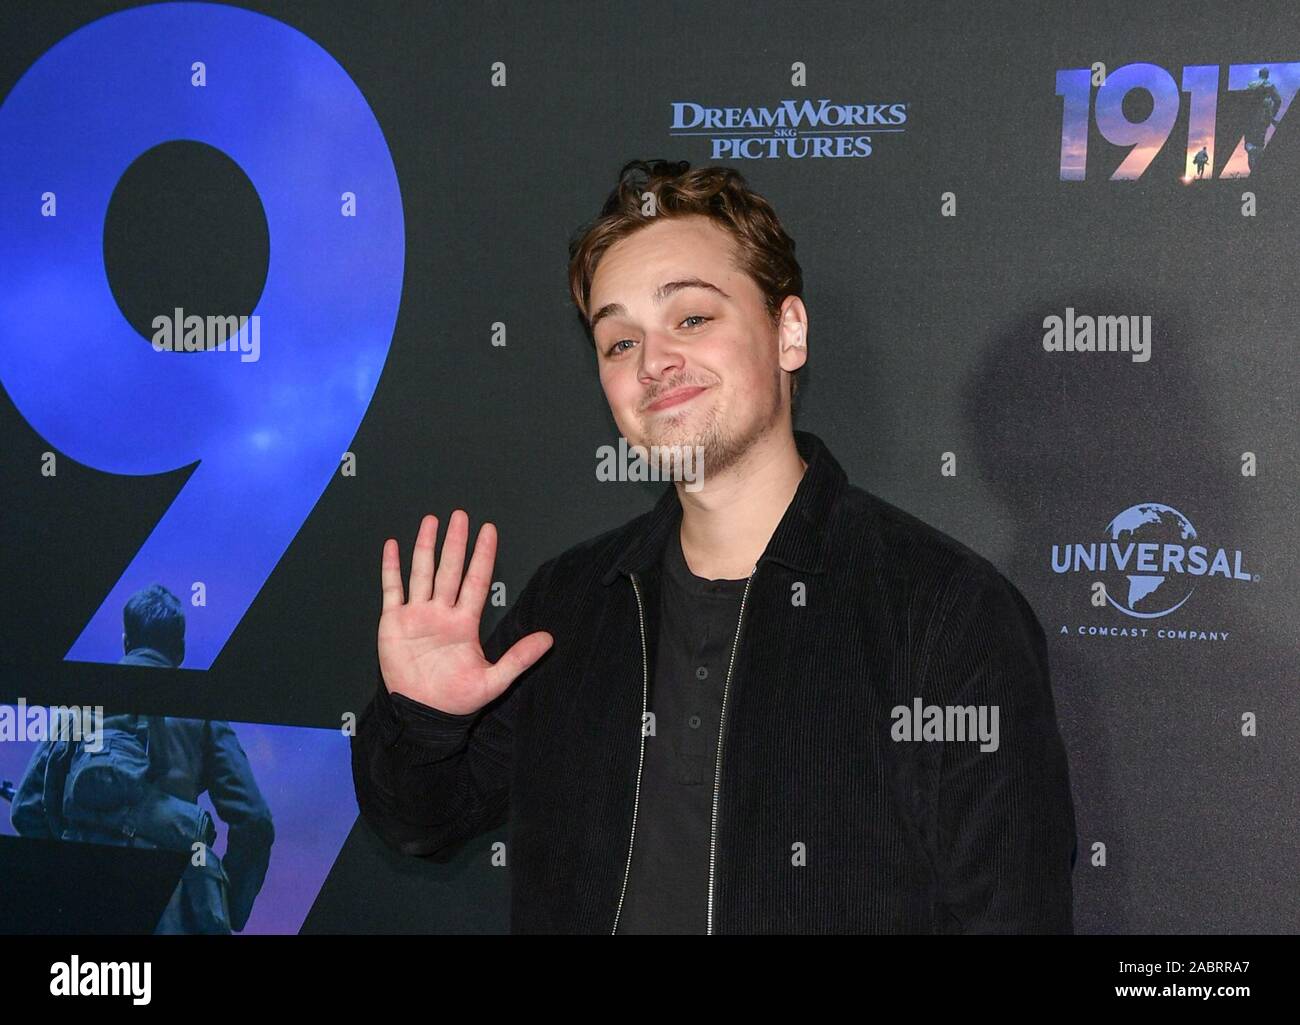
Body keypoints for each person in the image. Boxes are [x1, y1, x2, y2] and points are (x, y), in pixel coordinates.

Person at [351, 159, 1077, 934]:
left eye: (691, 318)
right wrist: (424, 720)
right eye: (618, 340)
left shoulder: (942, 609)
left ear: (788, 332)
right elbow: (419, 824)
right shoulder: (572, 602)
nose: (653, 363)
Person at [10, 584, 274, 933]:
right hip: (171, 909)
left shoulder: (82, 703)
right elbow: (255, 820)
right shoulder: (203, 712)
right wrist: (231, 907)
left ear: (125, 642)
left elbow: (27, 809)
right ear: (179, 650)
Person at [1246, 68, 1282, 173]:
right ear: (1267, 75)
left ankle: (1252, 163)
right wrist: (1272, 115)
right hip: (1263, 118)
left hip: (1249, 119)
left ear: (1259, 74)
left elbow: (1242, 100)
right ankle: (1257, 171)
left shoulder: (1250, 85)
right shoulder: (1269, 85)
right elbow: (1278, 100)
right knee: (1259, 143)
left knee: (1249, 142)